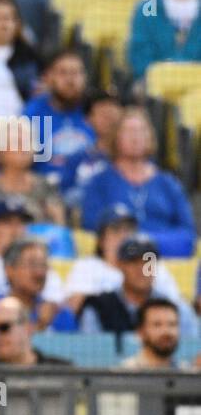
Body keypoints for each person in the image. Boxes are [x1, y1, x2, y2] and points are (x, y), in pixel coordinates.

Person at [79, 107, 196, 258]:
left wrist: (145, 243)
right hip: (116, 264)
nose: (135, 137)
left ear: (150, 137)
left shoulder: (168, 183)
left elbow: (187, 234)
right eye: (128, 131)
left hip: (164, 263)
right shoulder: (99, 183)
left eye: (141, 131)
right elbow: (92, 229)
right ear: (116, 137)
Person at [65, 204, 183, 311]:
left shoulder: (152, 265)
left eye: (128, 230)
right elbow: (74, 307)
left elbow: (176, 307)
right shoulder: (87, 267)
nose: (123, 237)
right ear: (101, 240)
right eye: (115, 230)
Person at [79, 233, 199, 339]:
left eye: (149, 262)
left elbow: (193, 352)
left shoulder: (176, 309)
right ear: (120, 265)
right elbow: (89, 356)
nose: (142, 269)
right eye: (134, 262)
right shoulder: (98, 307)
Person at [0, 116, 66, 233]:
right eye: (17, 142)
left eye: (27, 142)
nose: (24, 148)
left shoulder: (47, 187)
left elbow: (59, 230)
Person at [0, 237, 77, 332]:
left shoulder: (60, 314)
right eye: (32, 264)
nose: (39, 273)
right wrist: (40, 326)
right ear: (9, 270)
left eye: (43, 265)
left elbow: (74, 352)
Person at [21, 49, 95, 181]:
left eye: (76, 73)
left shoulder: (95, 112)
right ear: (49, 77)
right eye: (63, 73)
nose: (70, 80)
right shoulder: (31, 115)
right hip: (45, 191)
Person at [120, 298, 188, 370]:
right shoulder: (125, 372)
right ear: (140, 332)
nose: (166, 331)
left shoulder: (187, 372)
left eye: (172, 324)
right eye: (157, 325)